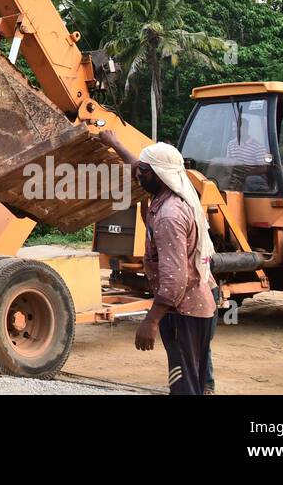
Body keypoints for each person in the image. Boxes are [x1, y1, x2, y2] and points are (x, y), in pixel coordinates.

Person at [102, 132, 217, 395]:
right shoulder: (173, 196)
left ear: (157, 174)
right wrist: (114, 142)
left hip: (183, 312)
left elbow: (175, 279)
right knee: (193, 381)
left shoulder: (168, 216)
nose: (137, 175)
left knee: (183, 385)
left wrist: (151, 321)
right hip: (196, 306)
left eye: (142, 172)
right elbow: (139, 165)